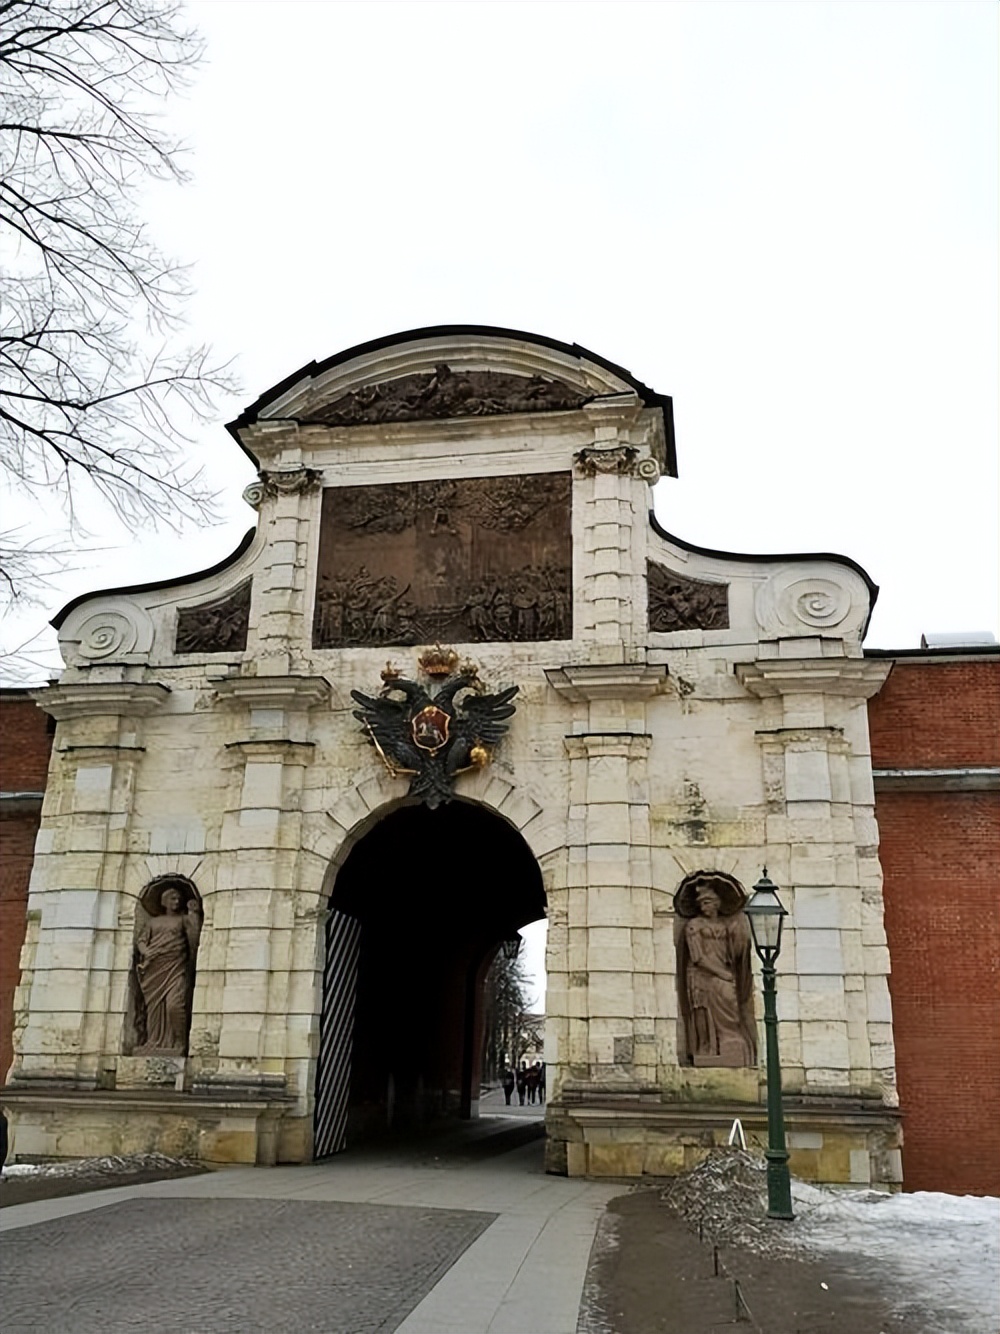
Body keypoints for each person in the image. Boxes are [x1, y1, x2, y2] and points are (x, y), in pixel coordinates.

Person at [681, 883, 756, 1067]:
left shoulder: (725, 925)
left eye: (707, 902)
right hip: (702, 975)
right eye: (701, 903)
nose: (703, 906)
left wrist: (740, 936)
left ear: (717, 903)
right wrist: (721, 973)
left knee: (731, 1001)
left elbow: (734, 953)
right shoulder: (694, 926)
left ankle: (729, 1040)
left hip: (723, 972)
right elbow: (697, 957)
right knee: (702, 1010)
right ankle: (705, 1048)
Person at [133, 884, 202, 1055]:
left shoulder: (183, 919)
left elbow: (194, 936)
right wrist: (146, 951)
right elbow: (141, 940)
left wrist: (193, 914)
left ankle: (179, 1042)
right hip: (154, 968)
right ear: (164, 901)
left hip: (176, 967)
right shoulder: (152, 922)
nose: (176, 902)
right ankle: (153, 1041)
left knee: (174, 1005)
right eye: (172, 898)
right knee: (154, 1008)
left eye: (178, 899)